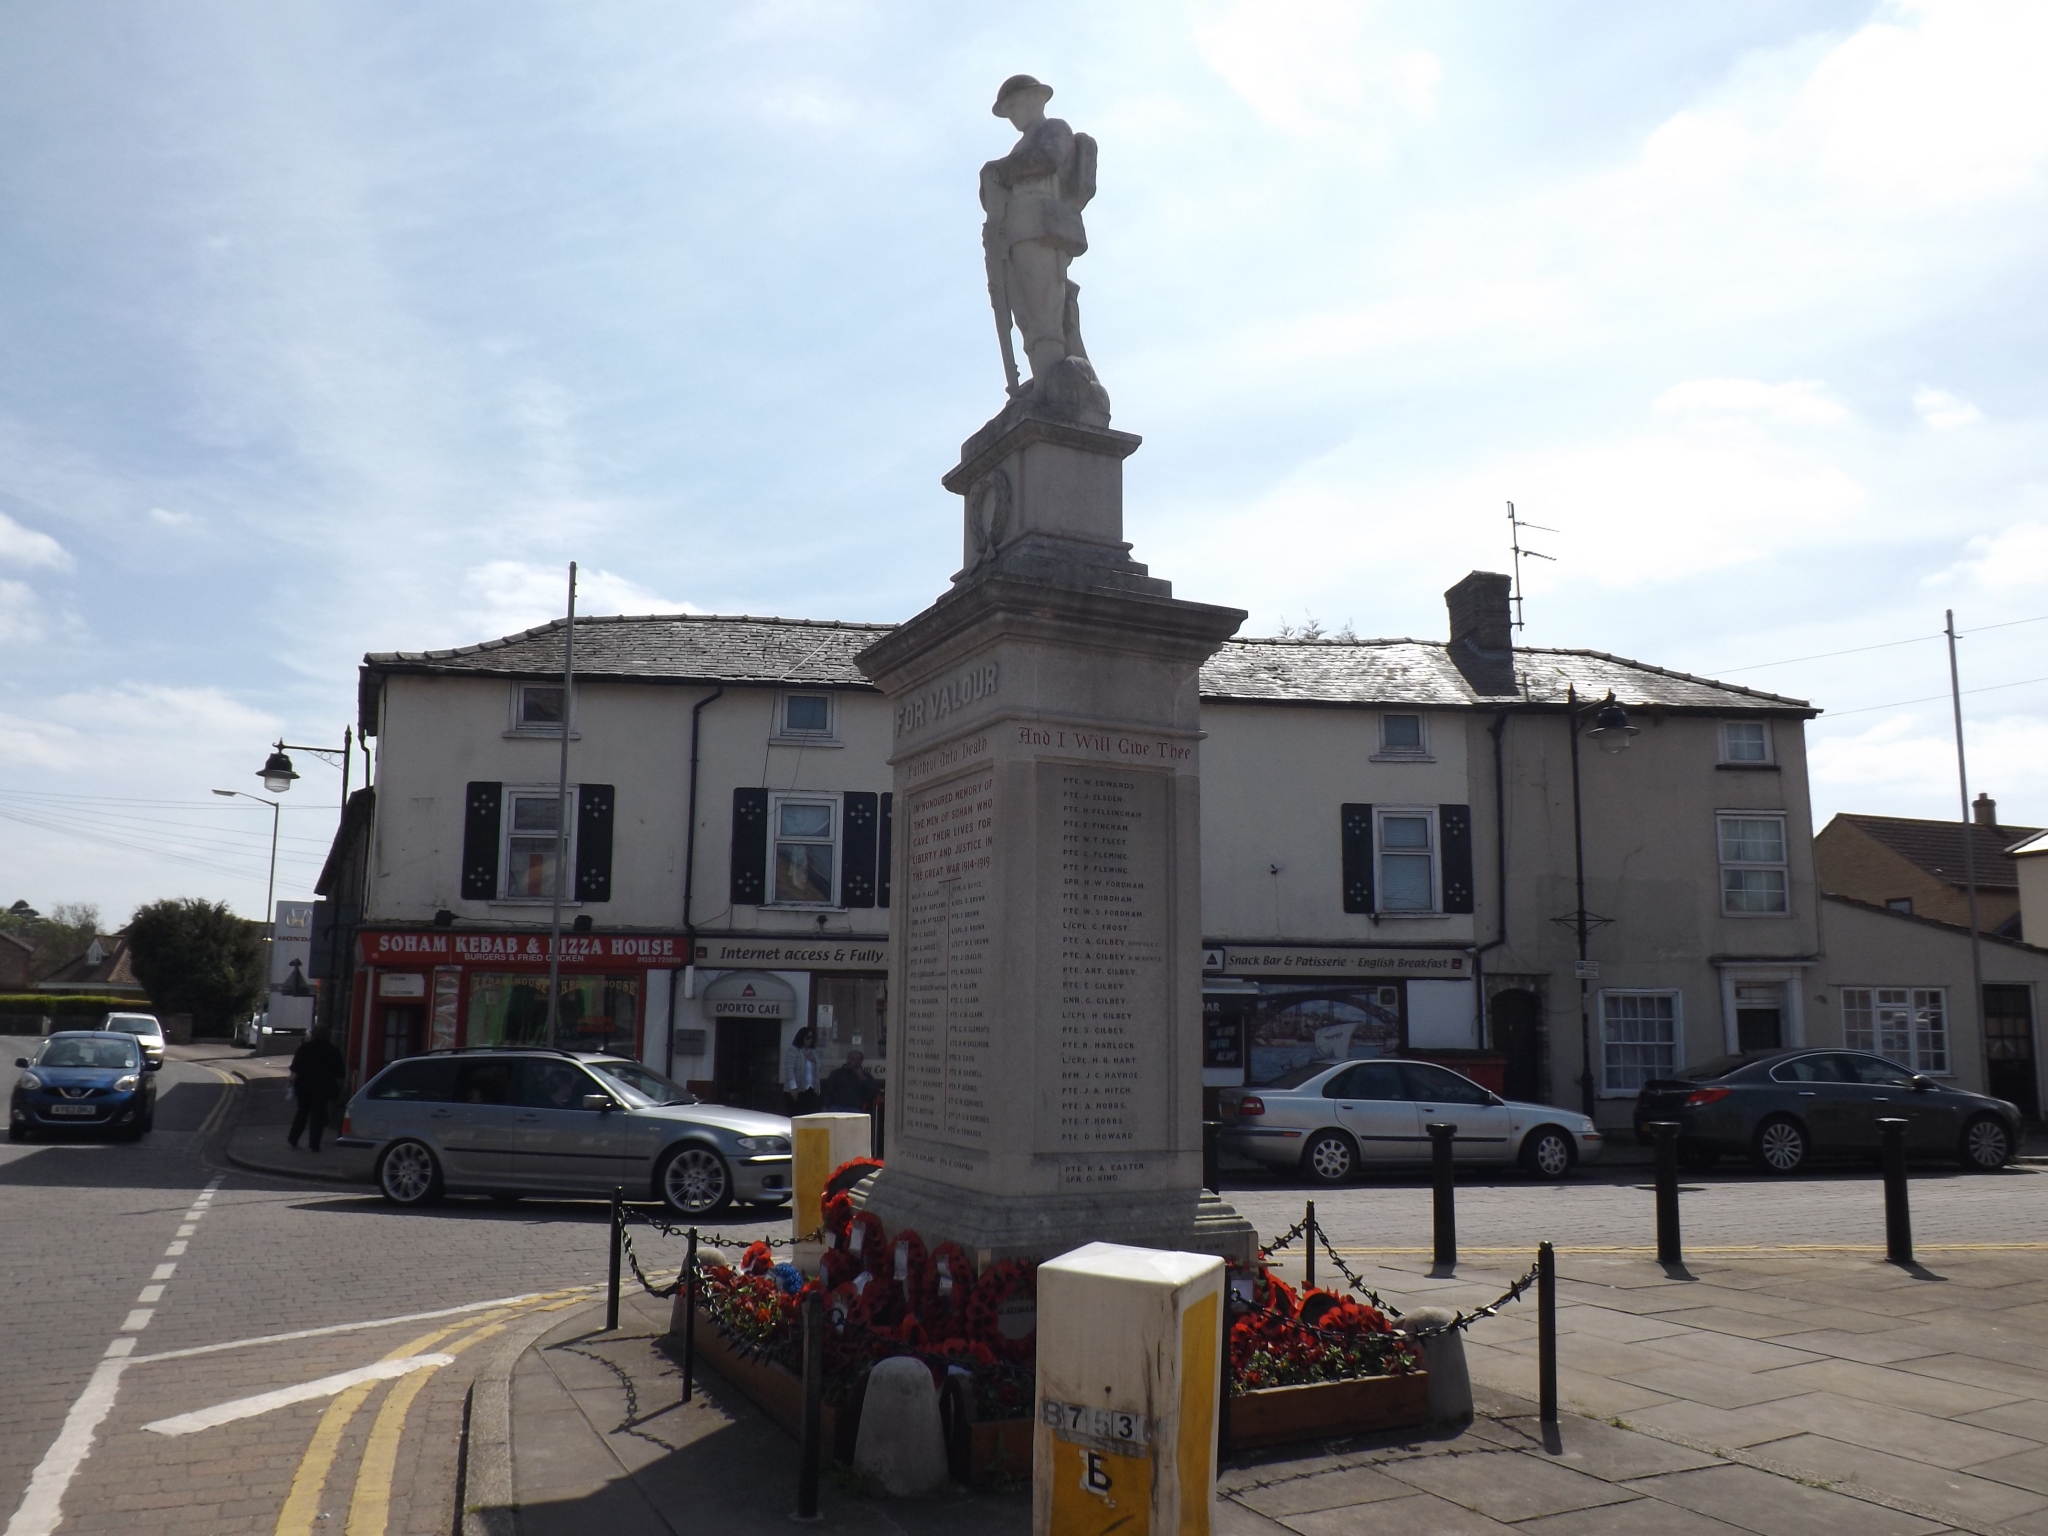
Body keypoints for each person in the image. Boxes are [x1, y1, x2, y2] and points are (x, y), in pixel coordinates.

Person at [980, 74, 1108, 420]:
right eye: (1007, 111)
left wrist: (995, 170)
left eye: (1014, 106)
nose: (1012, 116)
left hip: (1041, 229)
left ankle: (1052, 385)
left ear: (1035, 99)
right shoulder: (1019, 148)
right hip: (1018, 233)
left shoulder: (1054, 130)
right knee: (1025, 315)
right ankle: (1043, 381)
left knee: (1043, 310)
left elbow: (1045, 159)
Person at [287, 1025, 347, 1153]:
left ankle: (293, 1138)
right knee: (318, 1115)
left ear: (313, 1034)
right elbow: (340, 1073)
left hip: (303, 1086)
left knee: (302, 1112)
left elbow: (295, 1068)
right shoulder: (332, 1050)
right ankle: (314, 1144)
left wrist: (290, 1082)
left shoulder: (304, 1048)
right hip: (323, 1087)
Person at [782, 1026, 821, 1116]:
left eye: (812, 1038)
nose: (810, 1040)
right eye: (807, 1037)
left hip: (810, 1089)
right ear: (801, 1038)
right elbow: (789, 1069)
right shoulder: (793, 1050)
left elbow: (820, 1068)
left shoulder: (814, 1052)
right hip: (796, 1089)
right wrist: (793, 1087)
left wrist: (814, 1060)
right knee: (796, 1114)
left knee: (809, 1115)